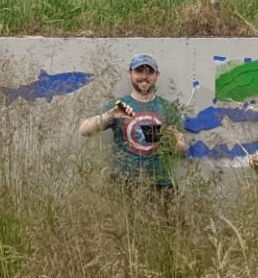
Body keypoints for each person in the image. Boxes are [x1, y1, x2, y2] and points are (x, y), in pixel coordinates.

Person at [78, 53, 185, 188]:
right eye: (139, 71)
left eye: (150, 72)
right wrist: (110, 115)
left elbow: (181, 150)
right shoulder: (119, 106)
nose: (144, 77)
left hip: (161, 184)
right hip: (124, 183)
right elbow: (84, 130)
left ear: (157, 75)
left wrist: (169, 136)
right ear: (130, 73)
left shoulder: (168, 108)